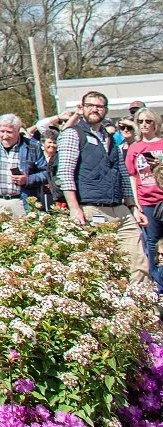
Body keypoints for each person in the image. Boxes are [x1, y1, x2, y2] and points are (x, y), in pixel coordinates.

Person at [57, 90, 149, 286]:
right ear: (82, 109)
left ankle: (141, 311)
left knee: (138, 262)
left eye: (99, 106)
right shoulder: (72, 134)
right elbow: (65, 172)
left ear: (105, 110)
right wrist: (74, 208)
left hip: (120, 208)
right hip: (92, 207)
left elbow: (122, 173)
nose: (95, 109)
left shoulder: (108, 136)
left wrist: (132, 206)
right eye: (90, 105)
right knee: (101, 266)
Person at [124, 107, 163, 292]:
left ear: (156, 123)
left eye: (148, 121)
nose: (145, 125)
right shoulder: (135, 148)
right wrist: (136, 203)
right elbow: (131, 176)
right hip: (146, 201)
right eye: (140, 122)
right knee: (152, 243)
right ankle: (158, 285)